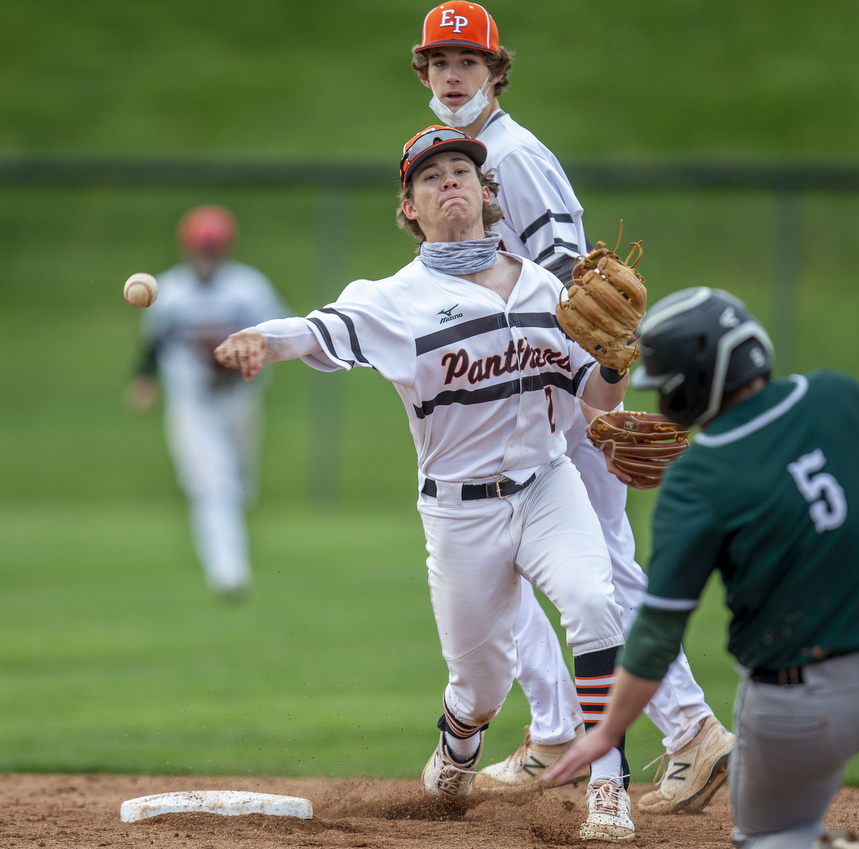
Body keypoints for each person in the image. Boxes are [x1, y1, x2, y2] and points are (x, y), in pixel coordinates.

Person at [214, 127, 638, 842]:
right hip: (458, 512)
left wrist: (618, 363)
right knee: (480, 686)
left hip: (546, 485)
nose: (450, 183)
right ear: (409, 207)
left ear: (486, 192)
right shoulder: (395, 300)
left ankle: (609, 784)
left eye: (462, 171)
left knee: (595, 602)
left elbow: (595, 398)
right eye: (431, 176)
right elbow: (320, 330)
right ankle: (460, 740)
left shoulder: (543, 288)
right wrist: (265, 338)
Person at [410, 1, 734, 812]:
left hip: (563, 399)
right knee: (502, 568)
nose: (453, 73)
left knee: (604, 573)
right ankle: (554, 727)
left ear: (496, 71)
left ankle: (692, 729)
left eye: (469, 62)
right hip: (517, 401)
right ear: (424, 72)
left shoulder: (513, 157)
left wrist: (594, 397)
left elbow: (570, 287)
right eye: (440, 61)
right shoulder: (467, 156)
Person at [546, 287, 859, 849]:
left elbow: (659, 628)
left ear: (691, 383)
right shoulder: (833, 394)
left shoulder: (699, 481)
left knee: (771, 836)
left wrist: (608, 732)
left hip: (795, 707)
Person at [127, 205, 286, 598]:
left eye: (213, 248)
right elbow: (154, 342)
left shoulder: (248, 288)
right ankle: (228, 573)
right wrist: (143, 380)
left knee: (239, 483)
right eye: (201, 247)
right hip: (192, 405)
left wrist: (246, 358)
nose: (206, 255)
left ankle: (227, 554)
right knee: (212, 483)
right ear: (188, 248)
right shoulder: (170, 291)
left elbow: (279, 334)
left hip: (240, 400)